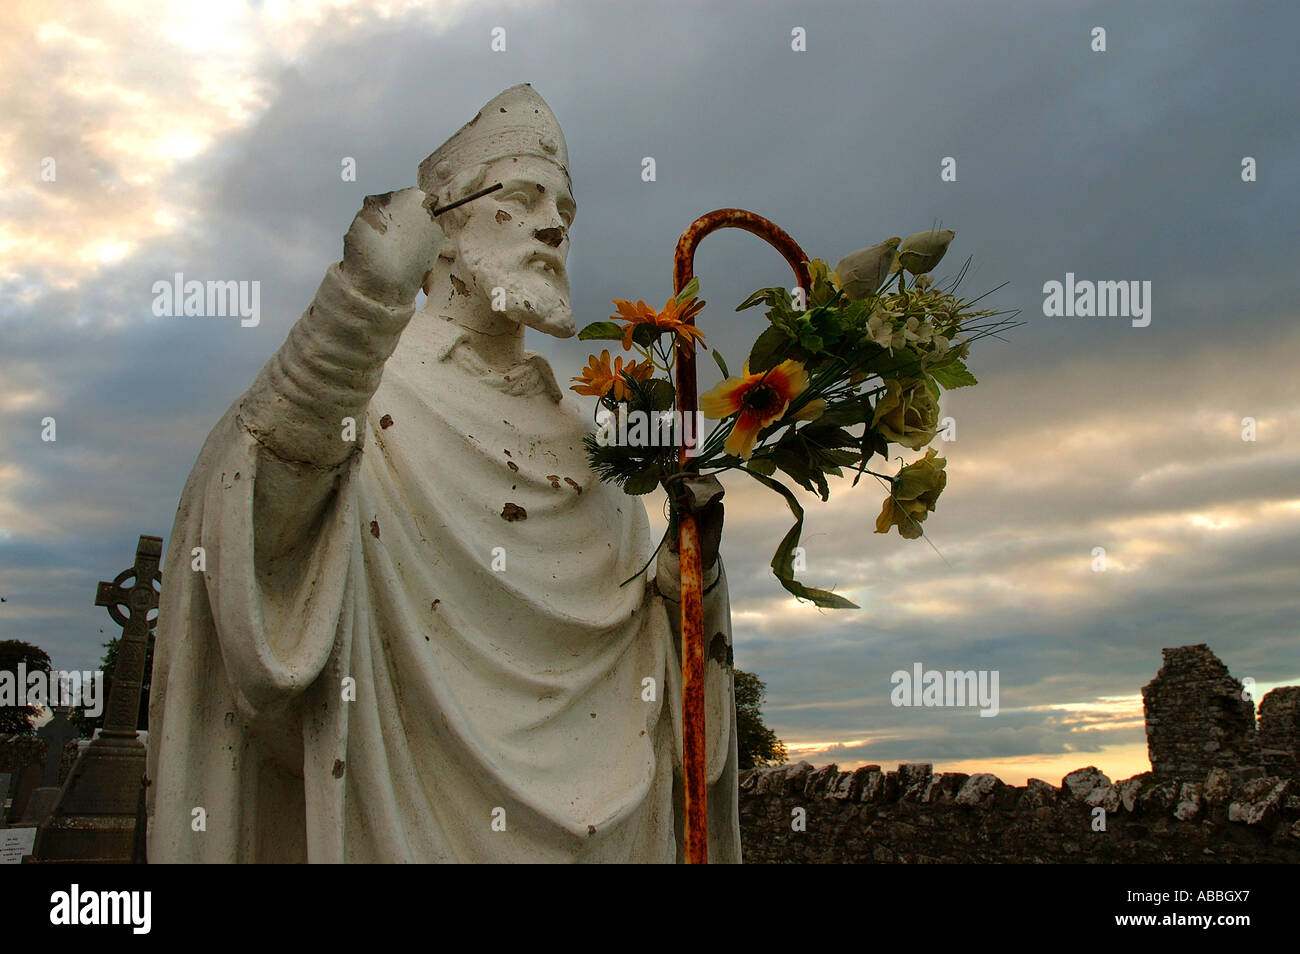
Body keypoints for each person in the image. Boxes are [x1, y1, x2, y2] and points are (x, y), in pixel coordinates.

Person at [146, 84, 740, 862]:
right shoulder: (361, 391)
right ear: (445, 232)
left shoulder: (588, 441)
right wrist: (358, 310)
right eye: (523, 197)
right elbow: (259, 521)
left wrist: (682, 579)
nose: (555, 224)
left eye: (566, 207)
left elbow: (639, 652)